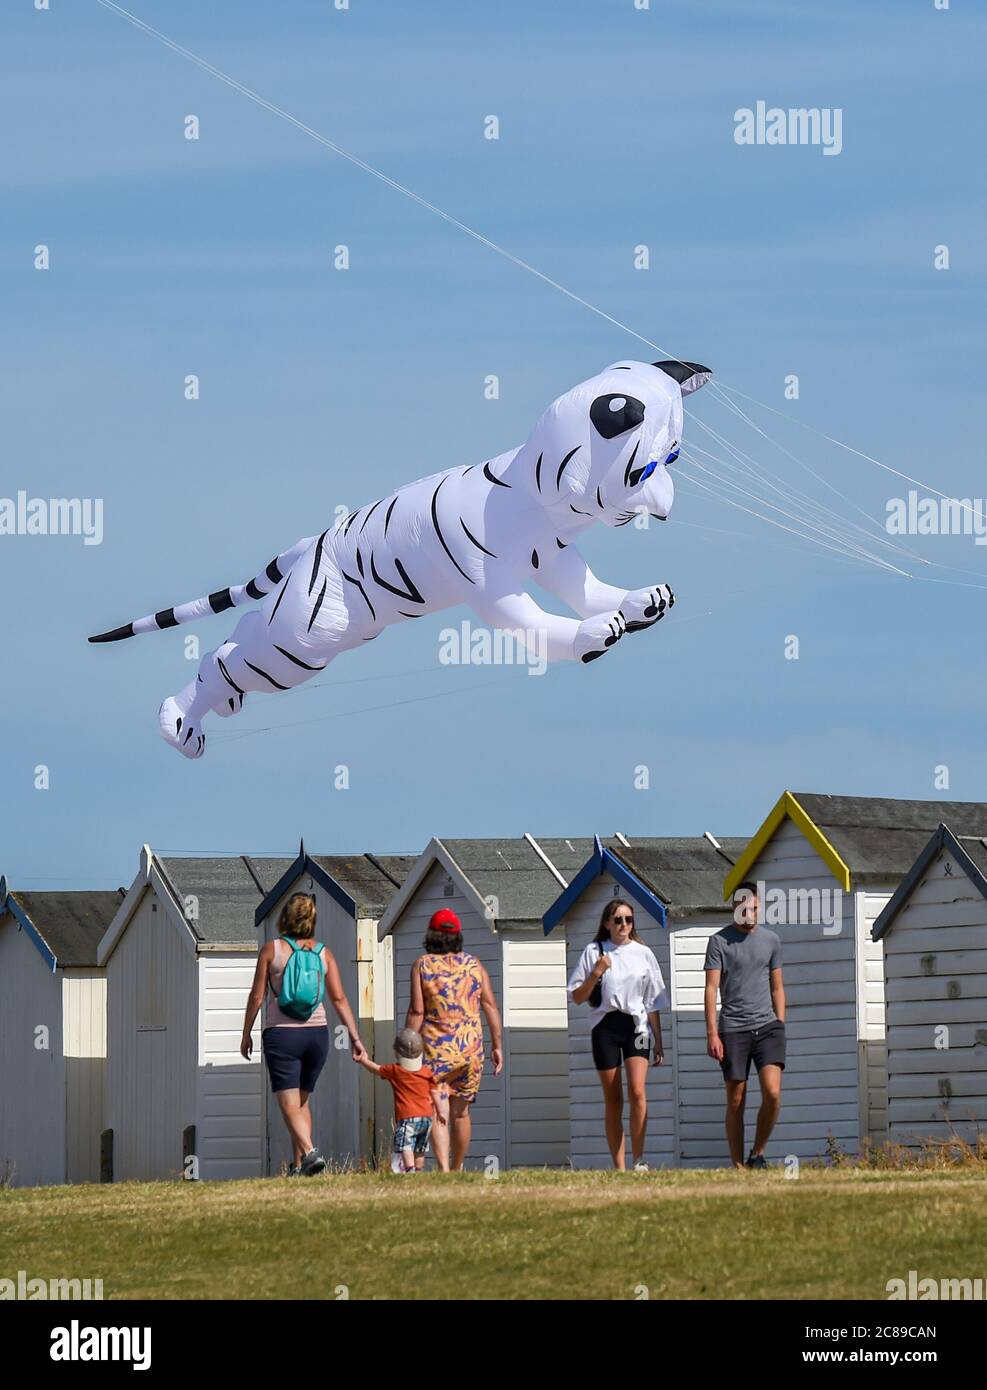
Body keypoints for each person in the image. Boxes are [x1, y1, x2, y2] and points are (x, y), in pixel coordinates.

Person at [241, 892, 367, 1176]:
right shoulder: (323, 953)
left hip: (282, 1035)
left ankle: (310, 1154)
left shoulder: (271, 950)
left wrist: (246, 1032)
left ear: (285, 917)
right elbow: (339, 999)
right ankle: (299, 1167)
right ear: (312, 920)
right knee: (301, 1102)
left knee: (288, 1104)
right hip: (317, 1036)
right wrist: (356, 1039)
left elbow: (257, 996)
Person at [568, 899, 667, 1171]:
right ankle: (619, 1166)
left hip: (637, 1026)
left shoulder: (643, 953)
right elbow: (577, 996)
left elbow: (653, 1001)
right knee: (614, 1099)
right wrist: (597, 972)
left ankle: (639, 1159)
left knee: (637, 1091)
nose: (624, 925)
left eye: (629, 919)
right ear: (607, 923)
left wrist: (658, 1039)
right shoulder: (594, 951)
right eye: (618, 919)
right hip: (605, 1026)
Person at [404, 908, 503, 1172]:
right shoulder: (475, 964)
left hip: (436, 1049)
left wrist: (407, 1048)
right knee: (461, 1112)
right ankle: (458, 1167)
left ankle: (444, 1170)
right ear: (458, 935)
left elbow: (417, 1011)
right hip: (471, 1048)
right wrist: (497, 1045)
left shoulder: (423, 965)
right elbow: (490, 1006)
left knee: (437, 1110)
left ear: (431, 935)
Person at [704, 882, 786, 1169]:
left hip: (768, 1028)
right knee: (736, 1099)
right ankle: (738, 1165)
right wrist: (712, 1032)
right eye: (743, 909)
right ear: (733, 908)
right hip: (733, 1028)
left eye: (753, 908)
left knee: (772, 1093)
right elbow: (711, 988)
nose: (749, 914)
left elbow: (777, 987)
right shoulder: (718, 942)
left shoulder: (772, 940)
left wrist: (780, 1022)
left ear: (759, 906)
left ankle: (758, 1153)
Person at [357, 1028, 441, 1173]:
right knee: (420, 1147)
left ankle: (409, 1171)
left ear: (396, 1052)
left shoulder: (396, 1071)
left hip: (408, 1117)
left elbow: (376, 1069)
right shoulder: (427, 1072)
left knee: (406, 1146)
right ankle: (419, 1170)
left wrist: (363, 1061)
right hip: (427, 1117)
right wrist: (440, 1111)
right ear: (420, 1053)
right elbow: (435, 1093)